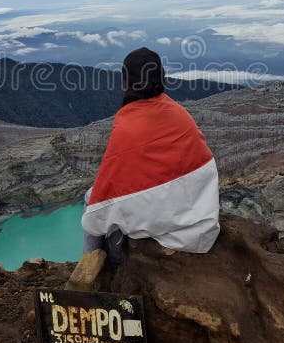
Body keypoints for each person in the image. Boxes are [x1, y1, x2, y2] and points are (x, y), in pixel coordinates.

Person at [81, 47, 221, 266]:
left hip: (167, 229)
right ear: (160, 77)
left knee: (92, 199)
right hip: (199, 223)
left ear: (126, 82)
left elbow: (108, 187)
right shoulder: (179, 113)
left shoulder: (127, 126)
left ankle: (94, 264)